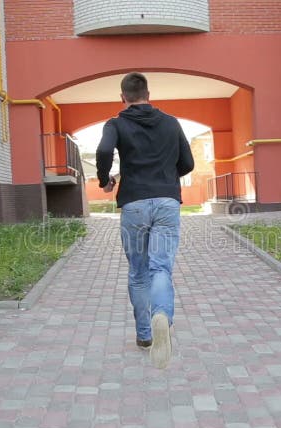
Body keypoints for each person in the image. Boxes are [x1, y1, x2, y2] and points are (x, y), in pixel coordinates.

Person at [96, 72, 194, 369]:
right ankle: (161, 314)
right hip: (167, 201)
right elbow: (188, 163)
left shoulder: (115, 124)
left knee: (138, 272)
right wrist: (165, 176)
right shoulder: (171, 122)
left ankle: (144, 335)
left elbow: (103, 150)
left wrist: (105, 180)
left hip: (134, 202)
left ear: (122, 97)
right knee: (160, 267)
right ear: (148, 95)